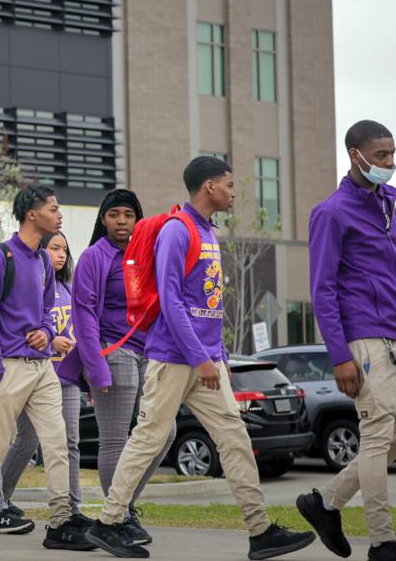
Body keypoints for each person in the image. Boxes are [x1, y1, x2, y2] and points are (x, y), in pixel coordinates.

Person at [87, 157, 313, 559]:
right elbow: (172, 300)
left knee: (234, 437)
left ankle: (260, 531)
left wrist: (219, 355)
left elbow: (208, 304)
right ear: (209, 186)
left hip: (207, 360)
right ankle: (108, 522)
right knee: (147, 440)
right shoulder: (179, 230)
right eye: (229, 184)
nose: (234, 191)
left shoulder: (208, 231)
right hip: (173, 358)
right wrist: (200, 358)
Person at [0, 188, 90, 550]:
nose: (59, 216)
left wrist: (45, 332)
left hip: (42, 370)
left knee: (57, 446)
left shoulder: (42, 261)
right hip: (7, 369)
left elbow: (45, 314)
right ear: (31, 215)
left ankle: (59, 522)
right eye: (53, 209)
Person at [298, 119, 396, 561]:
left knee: (391, 437)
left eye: (392, 155)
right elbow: (322, 290)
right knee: (377, 435)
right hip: (363, 336)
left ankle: (324, 503)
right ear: (355, 155)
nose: (389, 164)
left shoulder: (391, 204)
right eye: (381, 156)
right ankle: (382, 541)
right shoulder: (332, 213)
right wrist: (339, 356)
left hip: (393, 331)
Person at [71, 189, 175, 546]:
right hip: (111, 350)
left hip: (152, 354)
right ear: (103, 219)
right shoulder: (93, 257)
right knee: (116, 439)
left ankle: (122, 507)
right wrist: (94, 365)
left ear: (137, 220)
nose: (121, 221)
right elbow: (83, 313)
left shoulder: (147, 254)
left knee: (165, 432)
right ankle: (119, 519)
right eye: (114, 214)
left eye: (128, 215)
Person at [0, 231, 88, 534]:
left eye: (65, 249)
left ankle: (69, 509)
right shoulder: (23, 279)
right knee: (16, 441)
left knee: (67, 443)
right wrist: (50, 340)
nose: (61, 255)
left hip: (63, 376)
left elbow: (68, 325)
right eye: (55, 248)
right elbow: (3, 322)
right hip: (25, 371)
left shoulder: (68, 287)